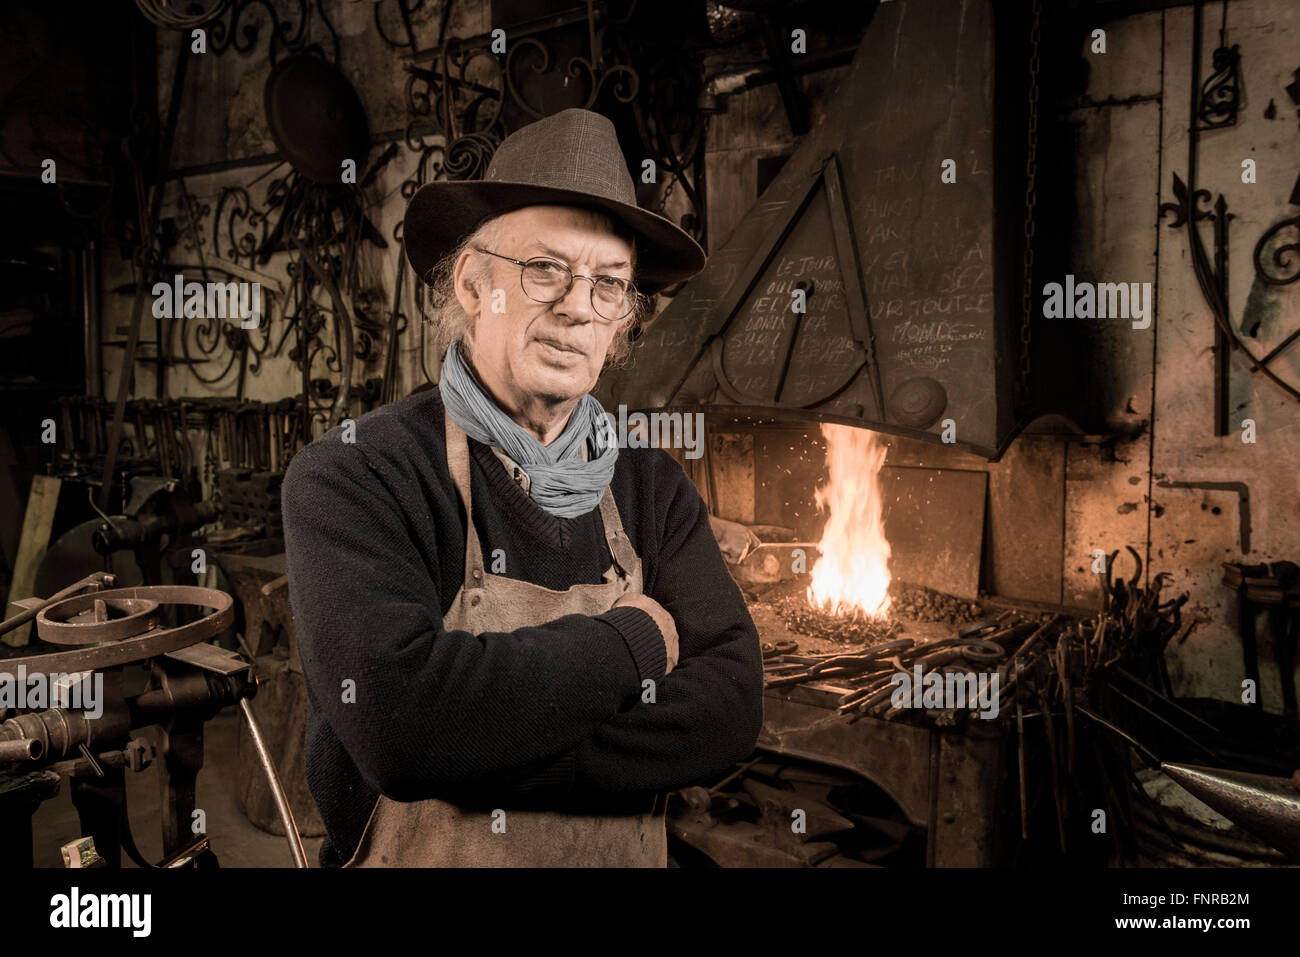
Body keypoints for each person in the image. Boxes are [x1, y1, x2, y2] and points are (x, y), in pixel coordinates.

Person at [281, 108, 764, 867]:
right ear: (473, 284)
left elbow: (731, 706)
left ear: (622, 321)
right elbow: (402, 726)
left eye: (610, 283)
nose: (577, 305)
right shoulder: (357, 474)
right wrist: (632, 641)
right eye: (545, 269)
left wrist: (484, 759)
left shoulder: (651, 486)